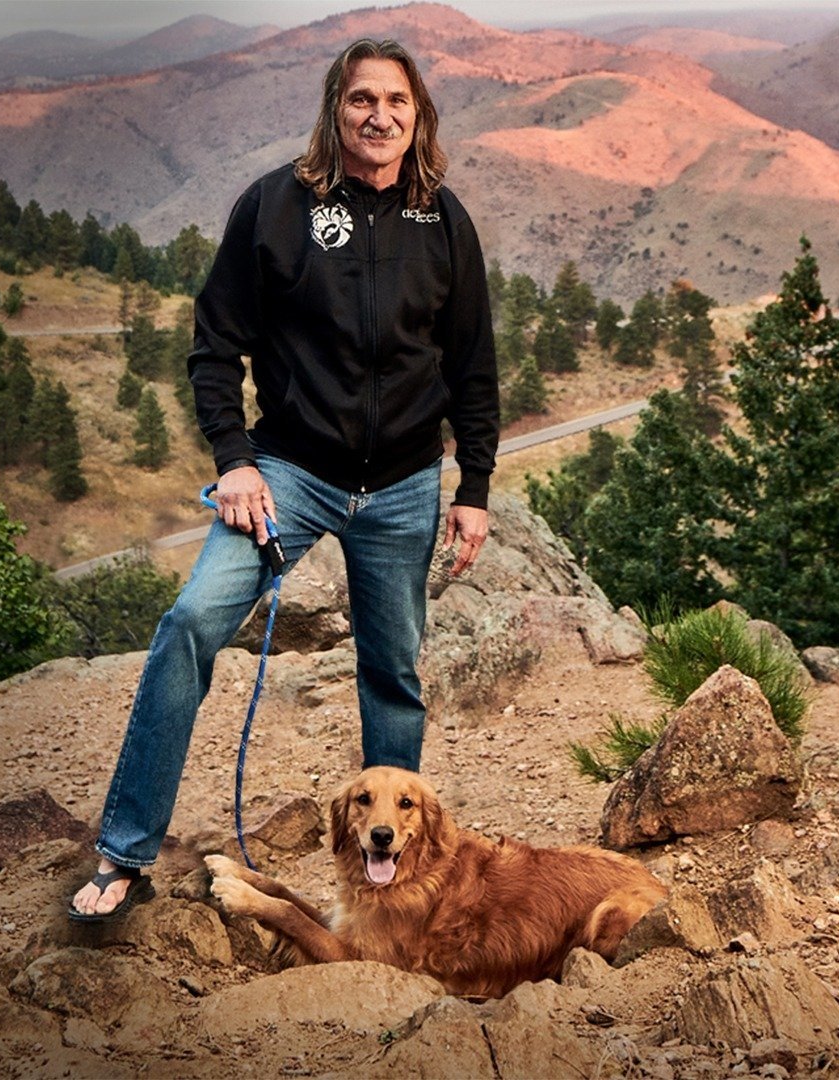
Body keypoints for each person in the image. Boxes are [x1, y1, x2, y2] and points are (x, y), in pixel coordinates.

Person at [69, 38, 499, 921]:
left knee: (393, 676)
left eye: (397, 102)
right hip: (289, 475)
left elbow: (473, 368)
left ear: (418, 118)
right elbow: (213, 348)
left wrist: (474, 488)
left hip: (408, 485)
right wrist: (234, 462)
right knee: (191, 620)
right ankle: (124, 852)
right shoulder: (275, 207)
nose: (379, 116)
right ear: (334, 109)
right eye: (361, 100)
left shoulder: (444, 221)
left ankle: (398, 891)